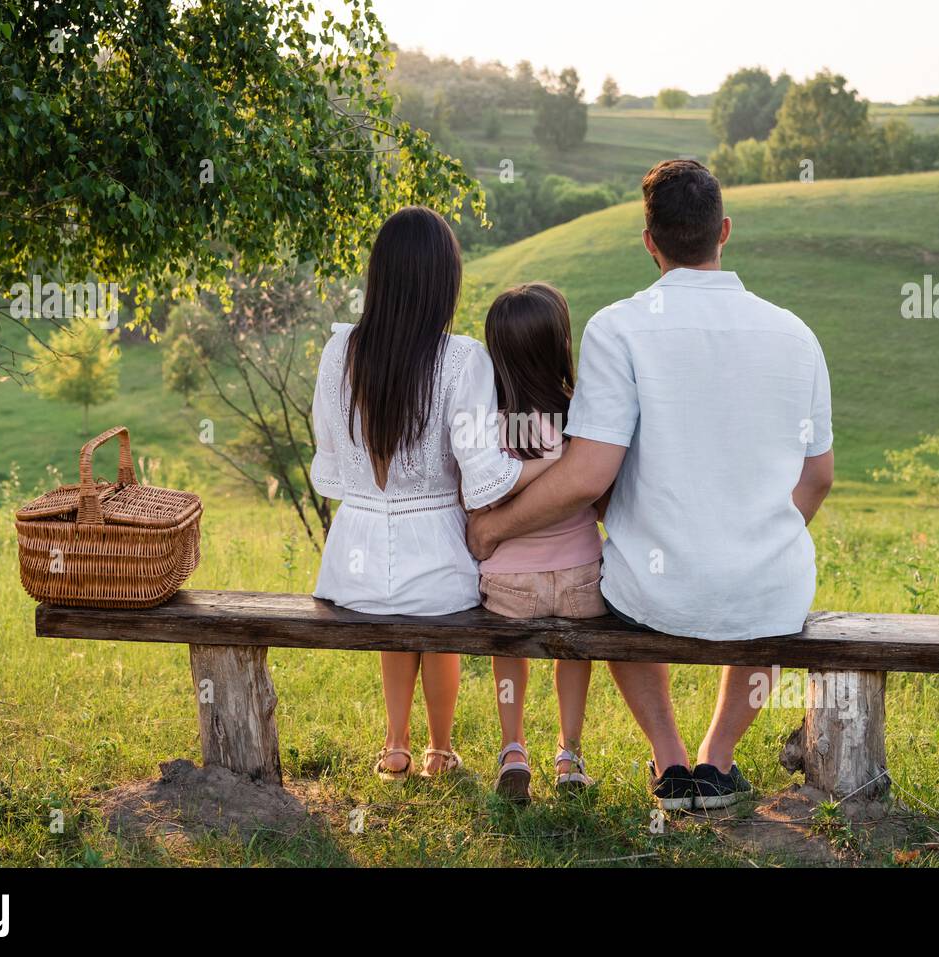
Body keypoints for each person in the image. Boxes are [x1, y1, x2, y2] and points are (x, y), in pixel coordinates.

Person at [467, 159, 835, 810]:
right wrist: (756, 539)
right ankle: (716, 761)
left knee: (620, 585)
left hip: (653, 584)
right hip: (768, 584)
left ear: (649, 240)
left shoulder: (619, 328)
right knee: (774, 597)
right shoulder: (798, 336)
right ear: (724, 231)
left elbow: (587, 475)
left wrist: (494, 526)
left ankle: (670, 760)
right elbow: (818, 477)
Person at [310, 206, 551, 782]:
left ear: (381, 275)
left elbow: (331, 464)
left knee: (398, 620)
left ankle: (396, 745)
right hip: (437, 557)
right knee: (435, 618)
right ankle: (439, 751)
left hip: (352, 565)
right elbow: (487, 476)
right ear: (443, 281)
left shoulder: (340, 352)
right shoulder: (462, 359)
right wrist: (553, 463)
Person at [477, 283, 605, 804]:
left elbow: (479, 503)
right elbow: (598, 498)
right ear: (560, 345)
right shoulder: (581, 416)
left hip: (509, 583)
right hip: (581, 578)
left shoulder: (489, 422)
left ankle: (513, 748)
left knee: (510, 651)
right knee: (573, 655)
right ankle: (569, 756)